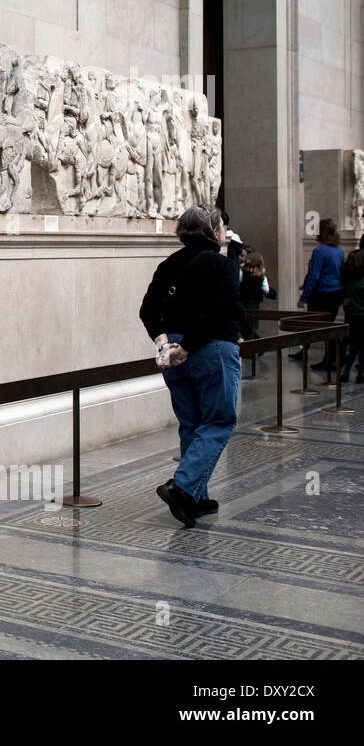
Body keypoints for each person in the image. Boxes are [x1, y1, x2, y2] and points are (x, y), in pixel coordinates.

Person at [139, 205, 245, 528]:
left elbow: (148, 310)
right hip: (210, 349)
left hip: (174, 353)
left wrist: (166, 346)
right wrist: (187, 347)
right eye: (222, 227)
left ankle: (196, 495)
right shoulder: (222, 265)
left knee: (192, 423)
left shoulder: (168, 264)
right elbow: (219, 312)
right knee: (218, 421)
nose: (225, 232)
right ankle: (183, 487)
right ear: (213, 232)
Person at [298, 218, 346, 371]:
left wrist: (304, 297)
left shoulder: (320, 250)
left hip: (322, 295)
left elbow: (314, 275)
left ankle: (331, 358)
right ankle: (332, 358)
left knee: (321, 328)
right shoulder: (339, 250)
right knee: (329, 326)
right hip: (337, 293)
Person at [338, 235, 364, 383]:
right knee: (363, 348)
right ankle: (361, 374)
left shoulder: (351, 283)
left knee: (353, 345)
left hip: (353, 315)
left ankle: (346, 372)